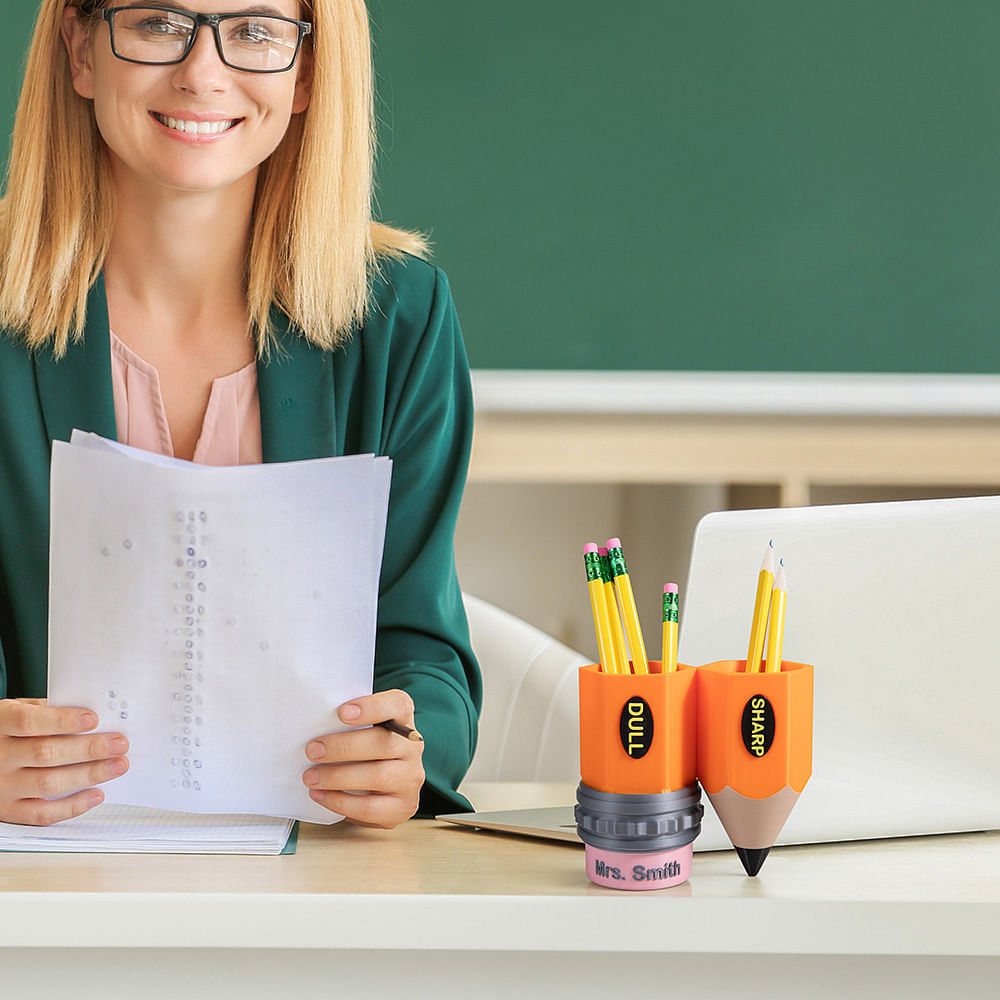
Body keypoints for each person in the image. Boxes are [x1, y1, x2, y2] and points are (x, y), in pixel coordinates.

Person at [0, 0, 481, 827]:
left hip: (309, 881)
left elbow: (419, 644)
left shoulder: (399, 314)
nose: (202, 73)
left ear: (307, 74)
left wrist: (406, 745)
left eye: (254, 31)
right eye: (157, 24)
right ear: (80, 50)